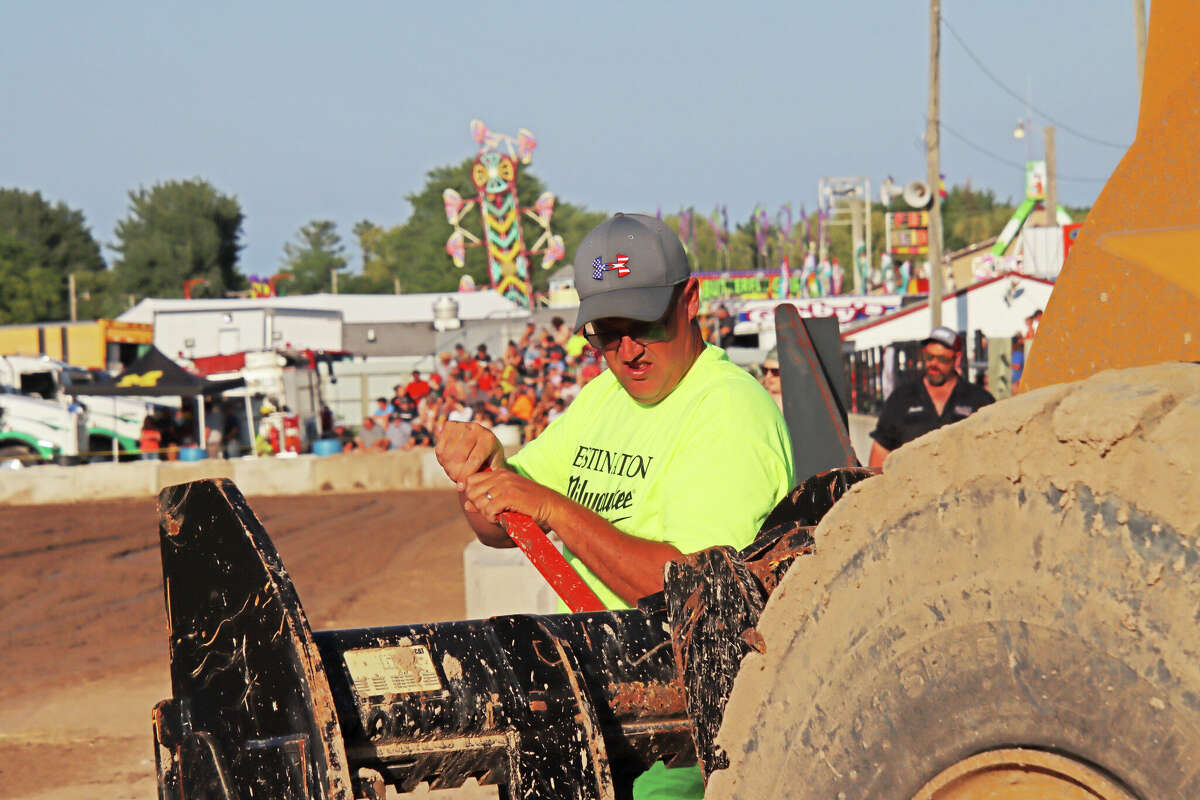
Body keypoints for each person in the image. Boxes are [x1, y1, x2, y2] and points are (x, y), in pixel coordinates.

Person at [434, 212, 794, 800]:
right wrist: (482, 471)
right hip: (599, 712)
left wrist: (552, 508)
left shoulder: (728, 414)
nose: (627, 351)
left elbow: (701, 596)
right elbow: (498, 527)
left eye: (643, 323)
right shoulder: (607, 396)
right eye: (606, 331)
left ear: (691, 300)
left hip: (682, 738)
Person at [868, 326, 996, 467]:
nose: (933, 364)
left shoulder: (979, 399)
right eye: (929, 357)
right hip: (910, 486)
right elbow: (881, 449)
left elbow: (994, 449)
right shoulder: (901, 398)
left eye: (942, 359)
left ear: (957, 358)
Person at [759, 348, 783, 412]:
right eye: (765, 370)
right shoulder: (758, 398)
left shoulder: (802, 401)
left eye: (775, 371)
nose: (768, 376)